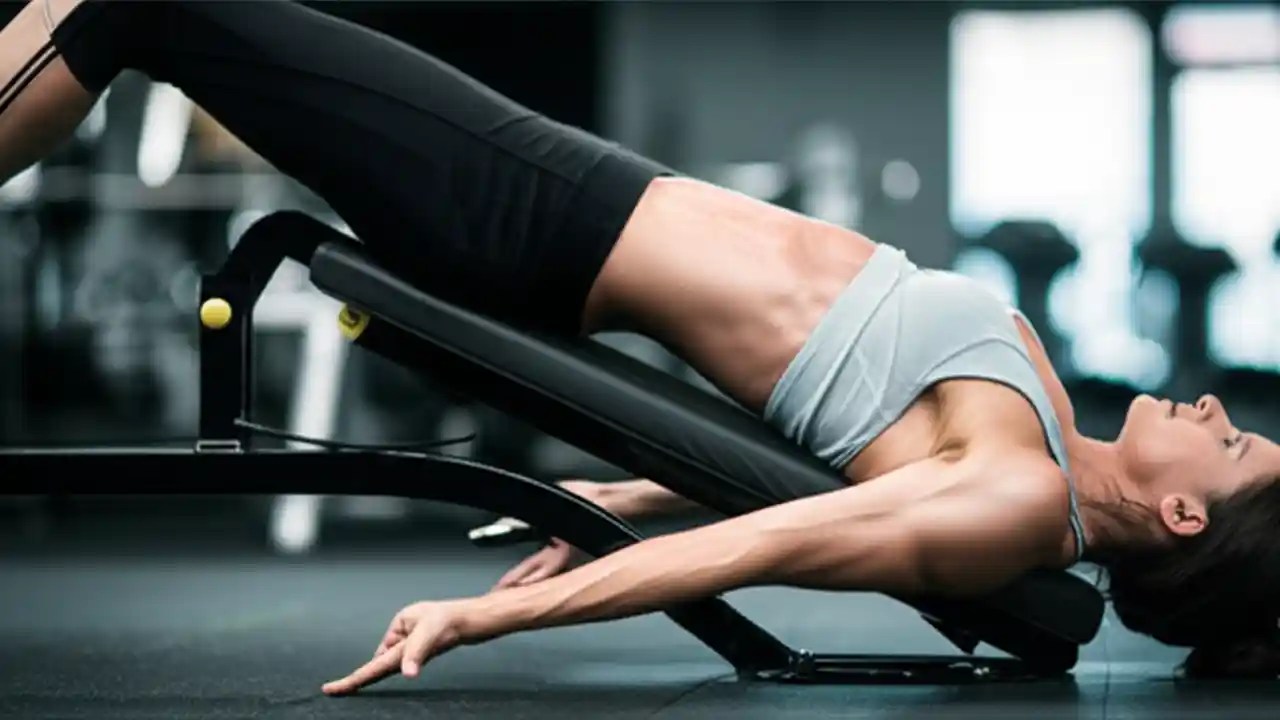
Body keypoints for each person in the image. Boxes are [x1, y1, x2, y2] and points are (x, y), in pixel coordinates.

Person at [3, 0, 1277, 693]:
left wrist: (485, 620)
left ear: (1178, 515)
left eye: (1232, 448)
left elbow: (761, 541)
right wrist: (619, 491)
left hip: (528, 218)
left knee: (134, 3)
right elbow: (814, 457)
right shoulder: (1038, 441)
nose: (1218, 412)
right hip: (573, 193)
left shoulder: (1010, 500)